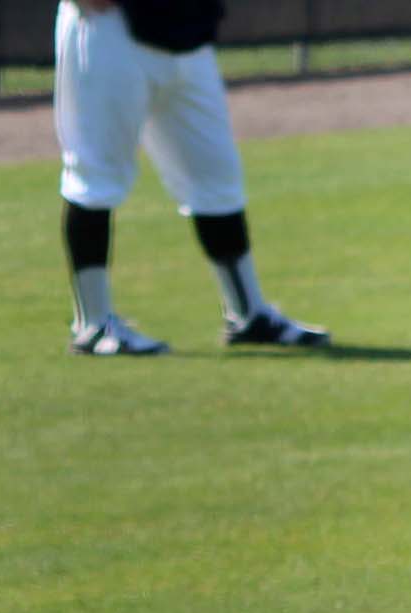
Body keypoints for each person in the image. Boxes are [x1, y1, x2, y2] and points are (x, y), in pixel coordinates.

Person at [56, 0, 331, 355]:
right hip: (109, 28)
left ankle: (248, 315)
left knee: (217, 181)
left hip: (188, 35)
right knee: (96, 178)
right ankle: (92, 324)